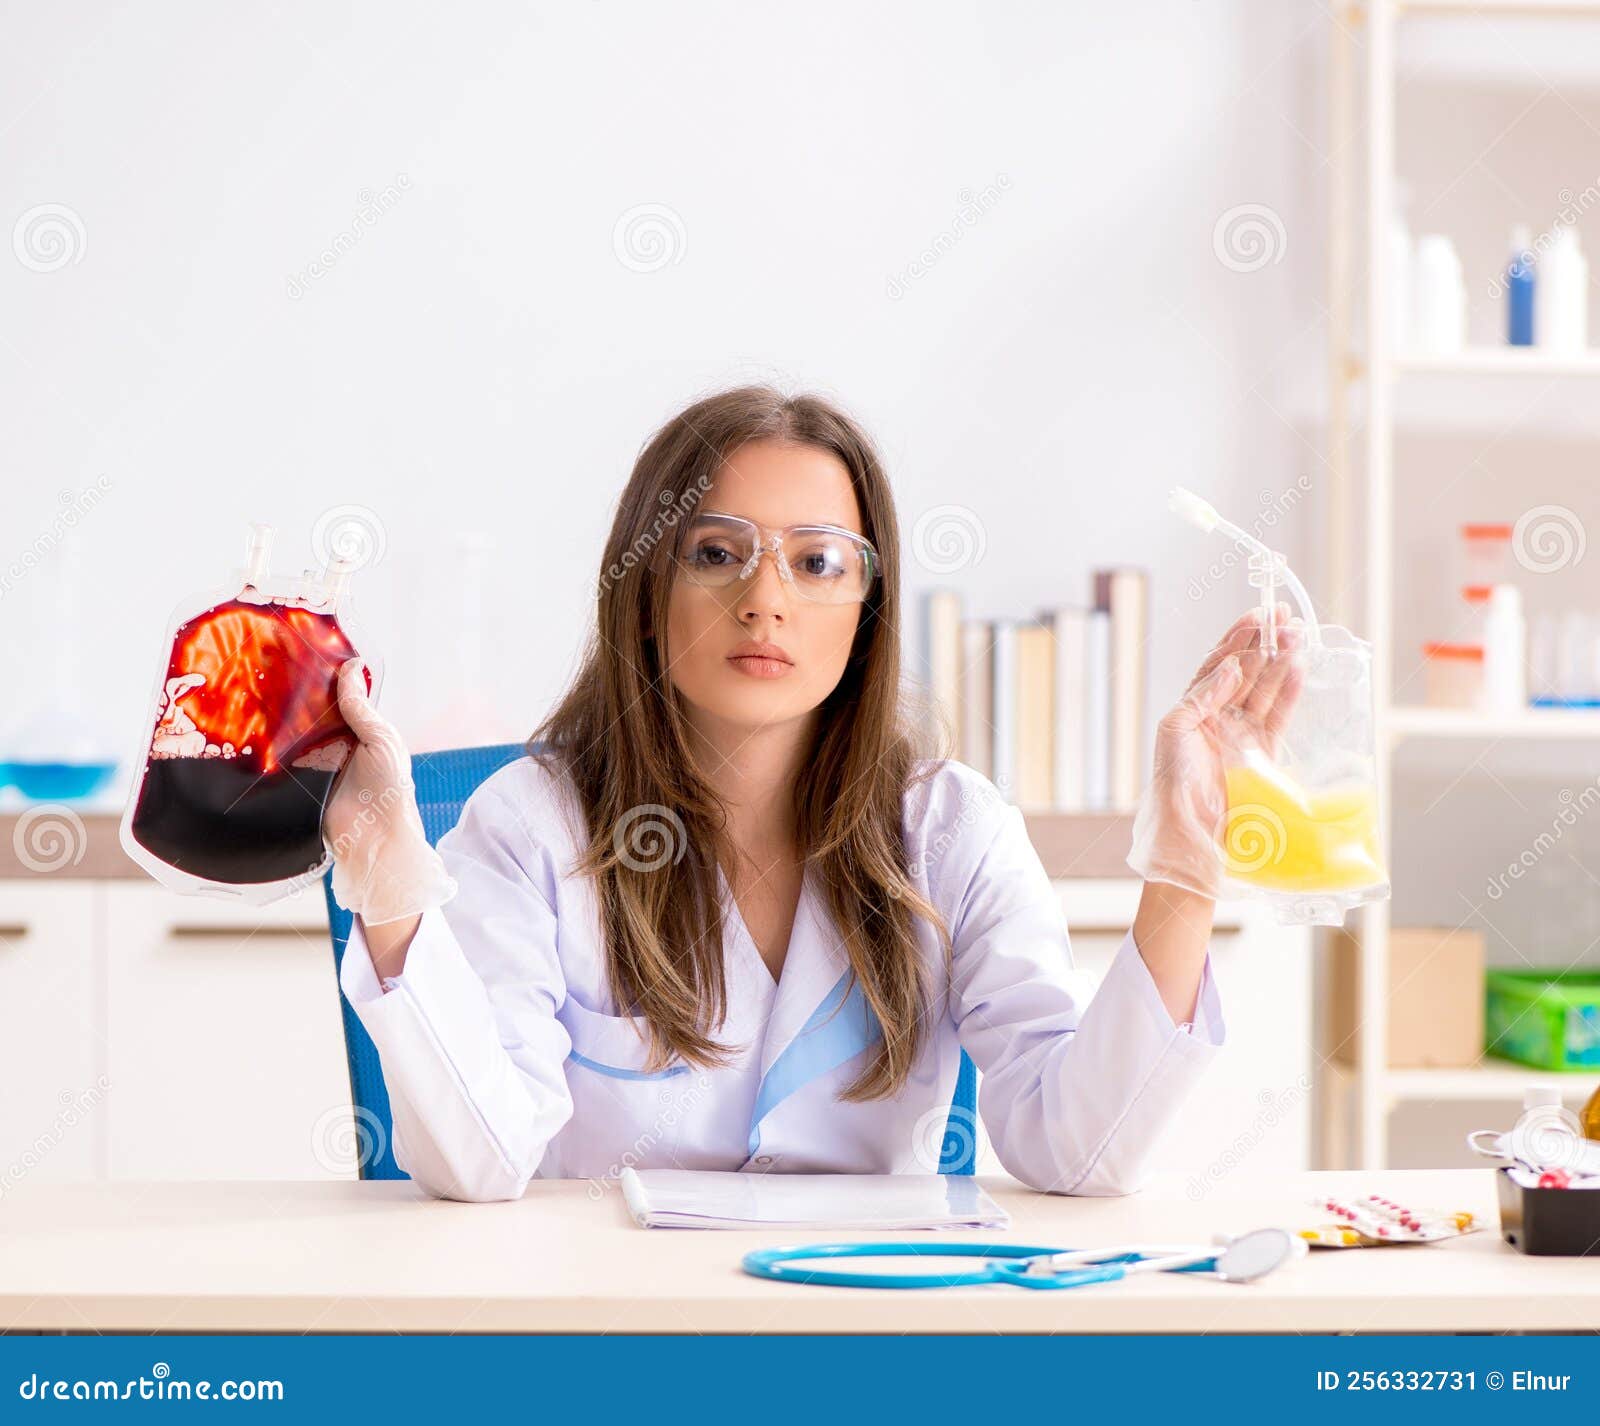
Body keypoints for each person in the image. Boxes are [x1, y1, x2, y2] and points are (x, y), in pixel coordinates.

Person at [324, 385, 1300, 1203]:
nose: (765, 599)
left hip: (866, 1332)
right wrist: (388, 883)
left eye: (817, 562)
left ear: (867, 610)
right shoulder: (530, 824)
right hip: (613, 1328)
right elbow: (481, 1159)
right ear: (645, 596)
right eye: (716, 553)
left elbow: (1077, 1151)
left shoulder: (952, 830)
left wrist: (1184, 868)